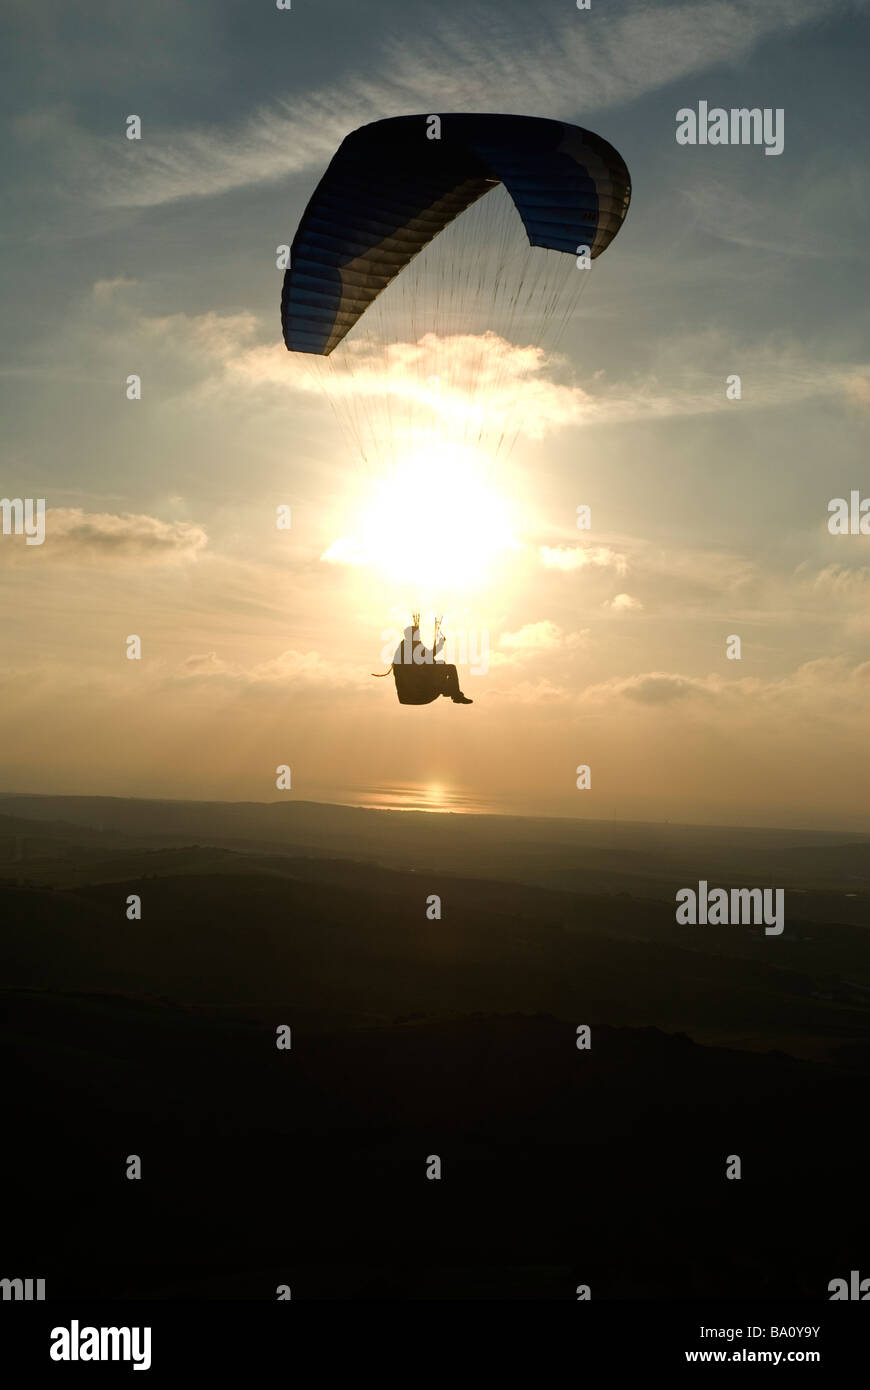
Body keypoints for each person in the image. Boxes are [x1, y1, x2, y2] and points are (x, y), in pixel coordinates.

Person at [385, 617, 473, 706]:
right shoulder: (412, 646)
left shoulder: (403, 647)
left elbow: (425, 660)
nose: (419, 637)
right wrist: (440, 645)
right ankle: (454, 694)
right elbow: (428, 658)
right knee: (450, 668)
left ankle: (449, 690)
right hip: (419, 692)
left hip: (407, 695)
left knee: (441, 664)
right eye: (417, 635)